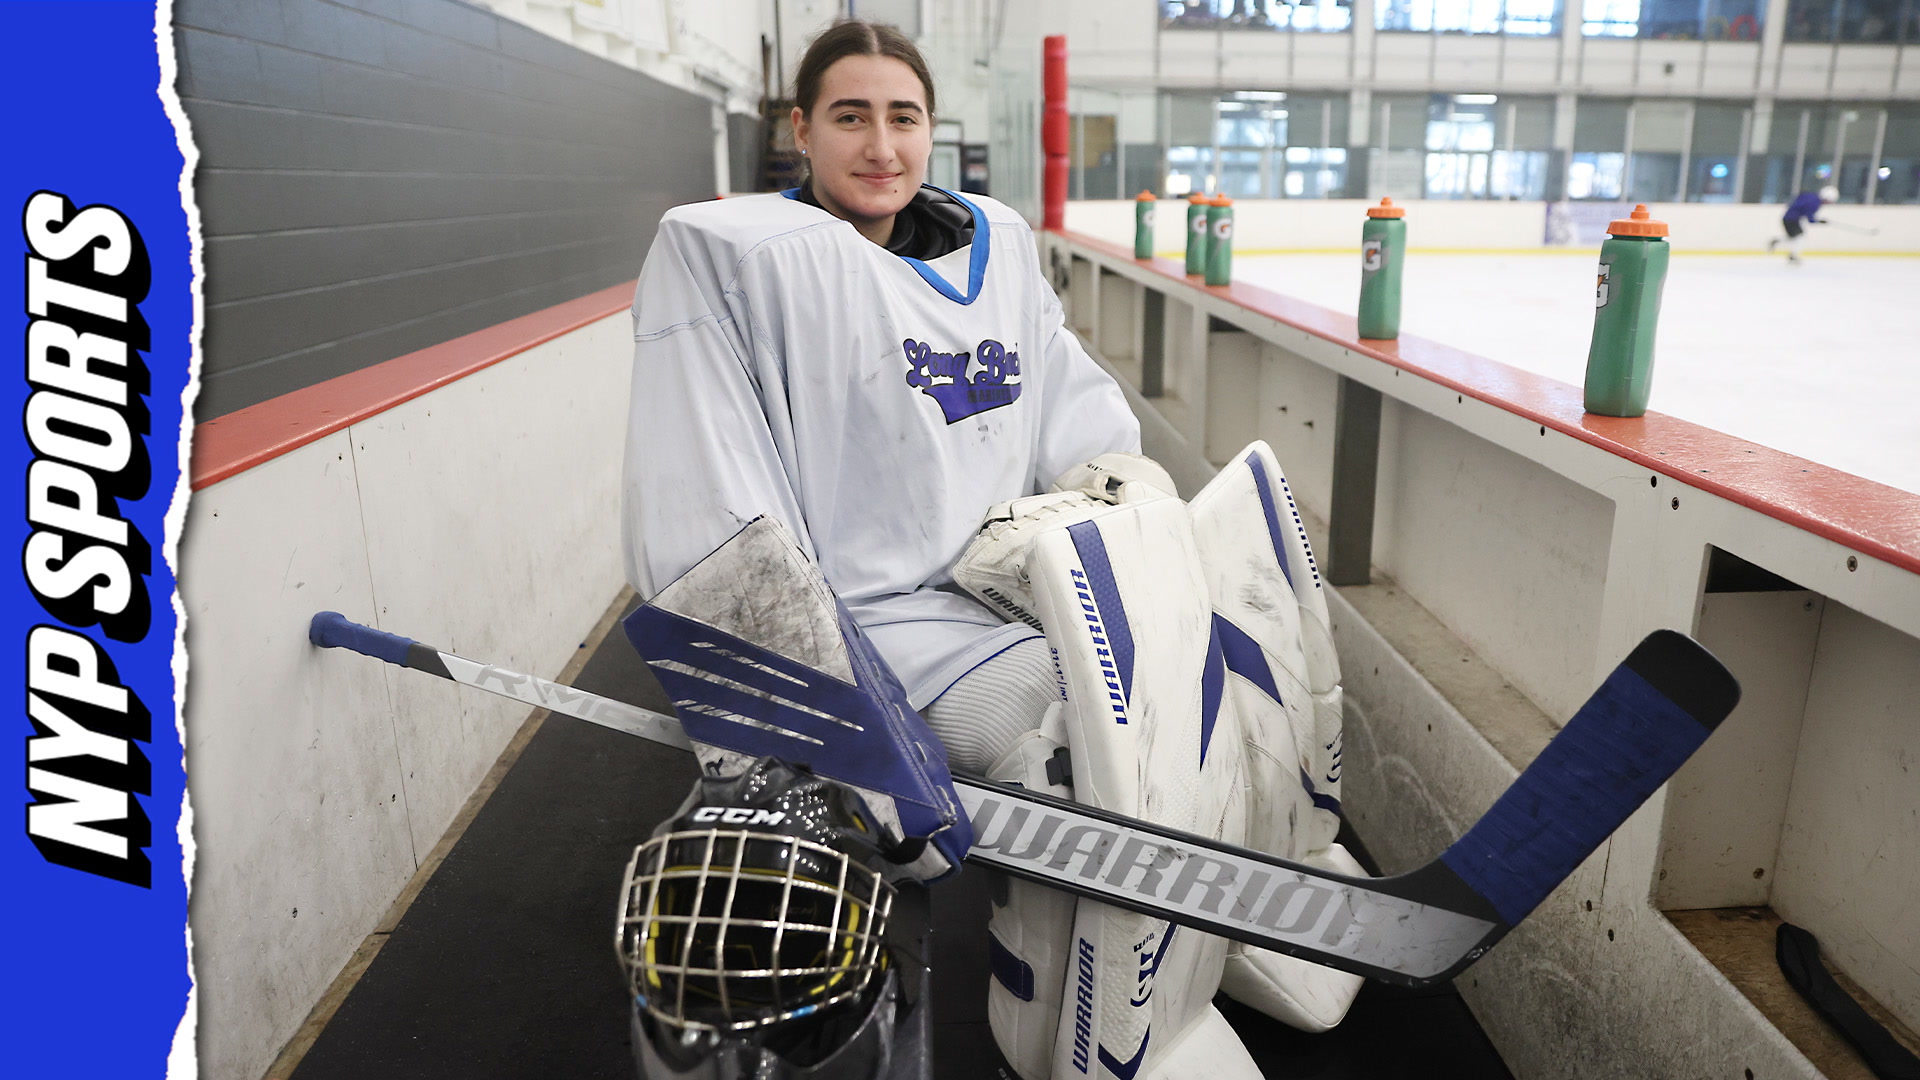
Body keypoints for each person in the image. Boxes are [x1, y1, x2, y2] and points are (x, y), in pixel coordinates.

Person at [1769, 184, 1838, 263]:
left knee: (1794, 237)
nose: (1828, 203)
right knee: (1800, 237)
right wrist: (1820, 221)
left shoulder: (1811, 196)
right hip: (1792, 219)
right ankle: (1792, 255)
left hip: (1789, 217)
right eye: (1829, 201)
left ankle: (1778, 242)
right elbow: (1810, 219)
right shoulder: (1815, 203)